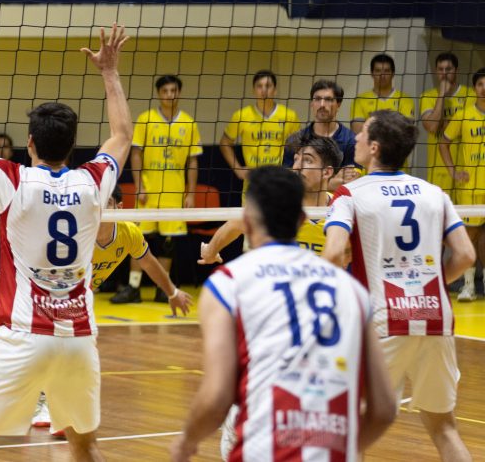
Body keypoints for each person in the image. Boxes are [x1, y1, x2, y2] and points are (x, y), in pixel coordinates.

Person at [0, 23, 131, 462]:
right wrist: (109, 72)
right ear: (74, 146)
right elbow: (122, 137)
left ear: (30, 143)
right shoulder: (94, 181)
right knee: (85, 447)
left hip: (23, 337)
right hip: (79, 340)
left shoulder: (12, 179)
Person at [170, 166, 395, 461]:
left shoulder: (228, 284)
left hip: (264, 444)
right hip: (330, 443)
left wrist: (187, 442)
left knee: (233, 428)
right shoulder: (352, 291)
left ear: (247, 220)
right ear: (302, 220)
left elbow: (216, 398)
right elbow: (384, 409)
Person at [0, 184, 192, 435]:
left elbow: (150, 264)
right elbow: (17, 268)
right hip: (42, 293)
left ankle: (57, 409)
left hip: (76, 300)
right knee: (52, 346)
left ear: (118, 208)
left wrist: (172, 293)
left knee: (72, 351)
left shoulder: (129, 233)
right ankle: (33, 403)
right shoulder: (76, 233)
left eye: (106, 203)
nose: (98, 208)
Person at [323, 110, 477, 462]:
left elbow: (332, 253)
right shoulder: (433, 193)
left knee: (352, 434)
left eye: (362, 135)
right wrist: (428, 284)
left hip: (382, 320)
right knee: (444, 428)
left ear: (374, 147)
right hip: (436, 317)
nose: (356, 138)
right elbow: (466, 254)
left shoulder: (349, 193)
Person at [113, 74, 201, 304]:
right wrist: (139, 185)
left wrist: (190, 193)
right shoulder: (146, 119)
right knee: (139, 238)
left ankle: (164, 288)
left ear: (179, 93)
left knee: (167, 243)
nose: (170, 95)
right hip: (149, 192)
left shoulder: (189, 123)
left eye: (174, 91)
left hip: (174, 193)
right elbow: (135, 153)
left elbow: (193, 161)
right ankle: (133, 287)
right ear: (159, 94)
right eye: (165, 91)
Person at [201, 135, 342, 265]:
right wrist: (210, 252)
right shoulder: (276, 204)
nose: (296, 167)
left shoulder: (340, 210)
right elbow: (234, 225)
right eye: (296, 159)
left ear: (327, 172)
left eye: (307, 160)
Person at [439, 67, 485, 302]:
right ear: (475, 88)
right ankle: (468, 286)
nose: (484, 88)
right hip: (471, 188)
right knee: (471, 236)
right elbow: (443, 141)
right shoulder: (464, 114)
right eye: (480, 84)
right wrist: (453, 171)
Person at [219, 70, 301, 197]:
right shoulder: (241, 115)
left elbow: (299, 147)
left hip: (280, 181)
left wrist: (294, 169)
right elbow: (224, 143)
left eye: (268, 86)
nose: (263, 90)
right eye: (259, 86)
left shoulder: (289, 115)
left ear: (275, 90)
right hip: (253, 183)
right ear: (253, 90)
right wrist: (238, 170)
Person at [282, 79, 357, 187]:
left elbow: (350, 183)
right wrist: (331, 183)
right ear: (312, 103)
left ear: (338, 104)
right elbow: (288, 183)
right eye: (317, 99)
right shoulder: (295, 141)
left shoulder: (351, 140)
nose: (322, 104)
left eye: (328, 99)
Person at [420, 52, 473, 194]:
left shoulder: (472, 95)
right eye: (440, 69)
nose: (444, 73)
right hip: (438, 170)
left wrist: (447, 124)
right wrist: (442, 95)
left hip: (467, 168)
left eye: (448, 69)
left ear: (456, 70)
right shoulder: (428, 96)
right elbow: (432, 127)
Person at [351, 54, 415, 135]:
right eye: (378, 71)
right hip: (370, 148)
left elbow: (407, 132)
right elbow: (358, 131)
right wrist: (393, 124)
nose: (382, 75)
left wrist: (373, 123)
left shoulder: (405, 99)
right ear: (372, 73)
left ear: (393, 73)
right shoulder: (359, 100)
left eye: (386, 71)